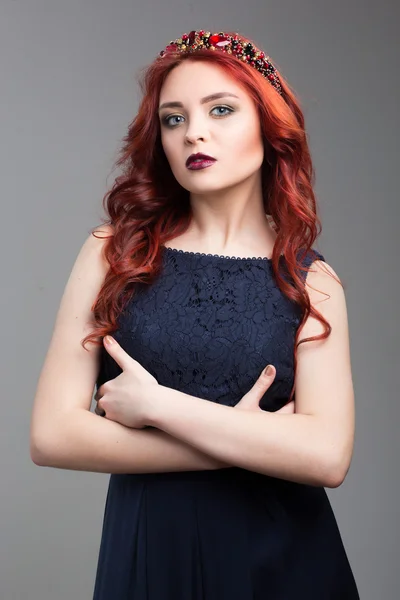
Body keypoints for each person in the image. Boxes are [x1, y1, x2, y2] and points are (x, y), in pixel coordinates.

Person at [30, 29, 360, 599]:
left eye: (222, 110)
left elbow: (327, 457)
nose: (194, 133)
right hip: (152, 551)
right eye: (173, 119)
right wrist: (251, 441)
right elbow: (52, 435)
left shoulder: (313, 281)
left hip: (282, 561)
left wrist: (160, 406)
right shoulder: (113, 251)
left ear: (268, 125)